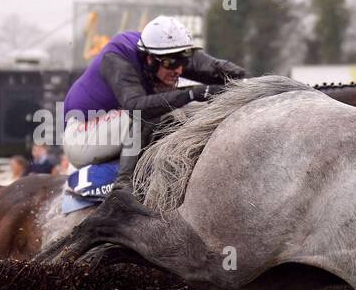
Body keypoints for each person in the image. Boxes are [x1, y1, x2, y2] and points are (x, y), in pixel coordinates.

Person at [63, 15, 248, 193]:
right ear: (150, 58)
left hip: (114, 127)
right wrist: (192, 93)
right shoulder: (117, 57)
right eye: (171, 63)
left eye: (183, 62)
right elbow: (137, 106)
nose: (178, 70)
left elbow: (217, 69)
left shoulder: (165, 55)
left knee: (195, 107)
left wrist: (244, 80)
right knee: (153, 110)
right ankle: (123, 188)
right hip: (81, 137)